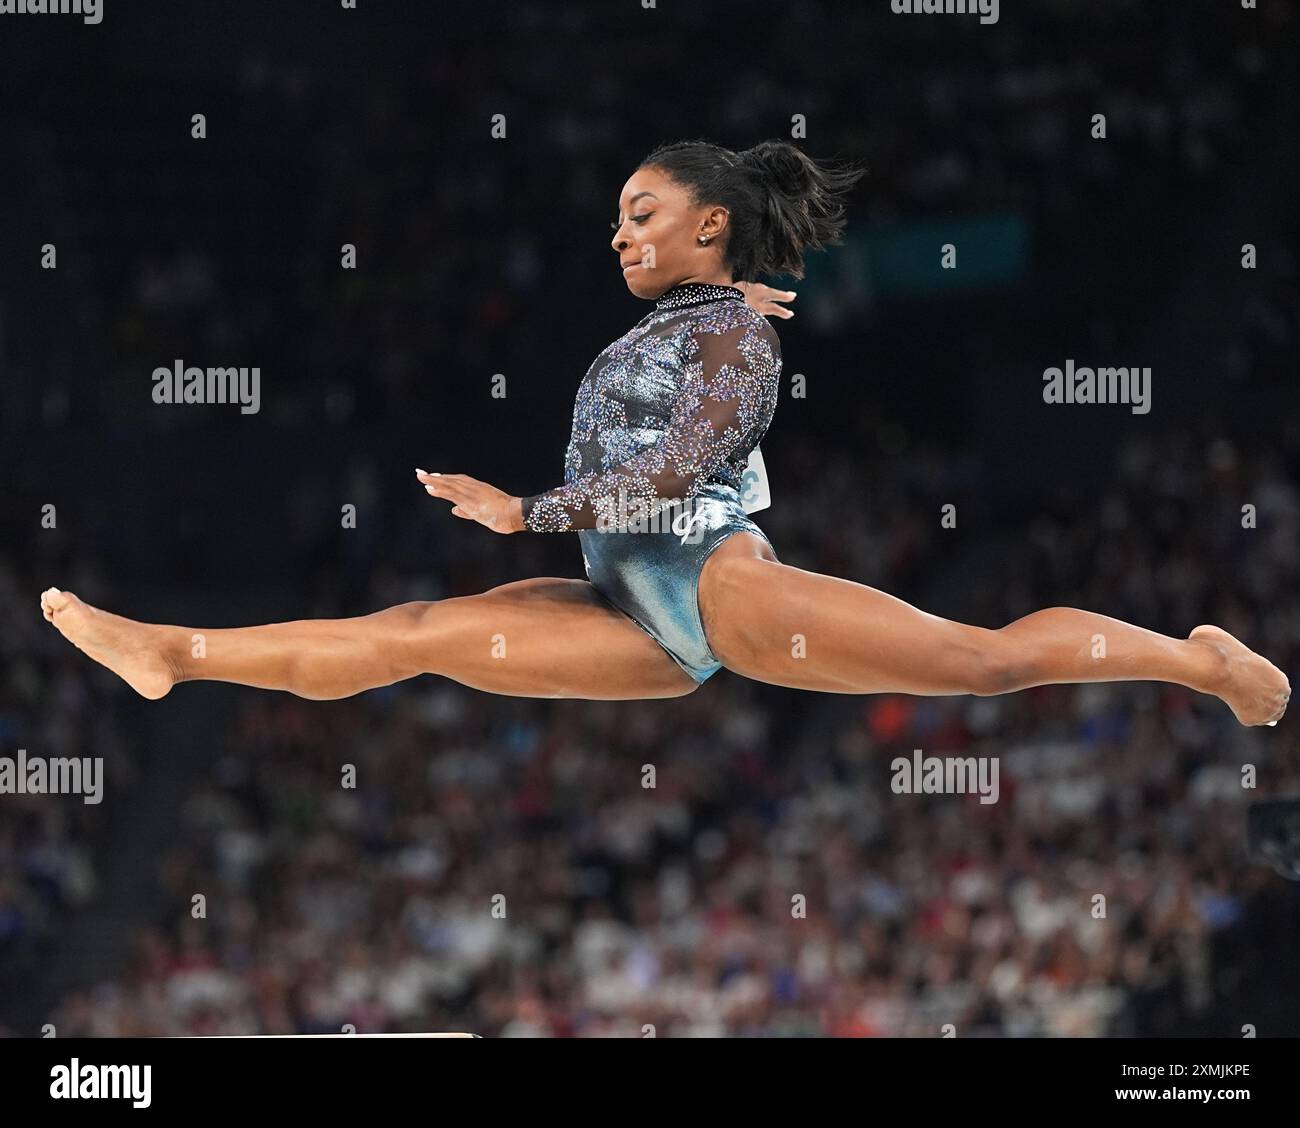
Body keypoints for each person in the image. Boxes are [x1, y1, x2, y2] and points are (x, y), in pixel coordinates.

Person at [40, 139, 1290, 726]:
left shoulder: (740, 341)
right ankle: (170, 651)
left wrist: (526, 512)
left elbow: (685, 469)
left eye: (645, 214)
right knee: (409, 636)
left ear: (710, 228)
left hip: (714, 582)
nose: (620, 235)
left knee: (978, 664)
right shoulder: (695, 321)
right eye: (615, 221)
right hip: (626, 611)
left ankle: (1198, 661)